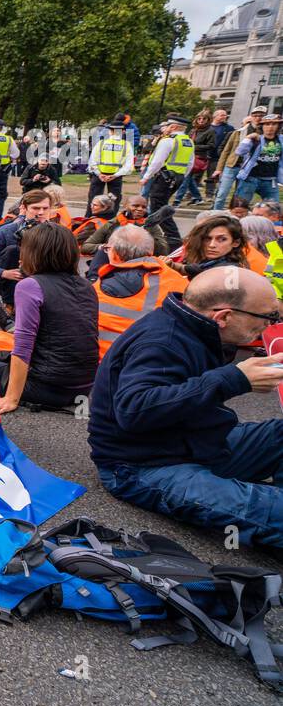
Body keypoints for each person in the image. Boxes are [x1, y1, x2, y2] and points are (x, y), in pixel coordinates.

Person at [89, 266, 283, 550]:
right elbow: (134, 411)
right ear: (224, 316)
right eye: (268, 318)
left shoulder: (196, 327)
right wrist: (235, 379)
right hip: (140, 466)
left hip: (191, 444)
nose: (270, 326)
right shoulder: (162, 340)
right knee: (272, 510)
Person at [0, 222, 98, 414]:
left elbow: (23, 346)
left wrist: (11, 399)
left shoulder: (30, 285)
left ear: (34, 253)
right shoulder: (86, 285)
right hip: (84, 386)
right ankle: (8, 327)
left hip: (47, 388)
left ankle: (8, 327)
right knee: (2, 355)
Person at [93, 224, 189, 354]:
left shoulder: (98, 289)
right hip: (159, 361)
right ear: (150, 252)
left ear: (114, 253)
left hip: (104, 365)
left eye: (107, 249)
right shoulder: (181, 283)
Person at [0, 187, 55, 317]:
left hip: (45, 279)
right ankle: (10, 304)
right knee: (12, 251)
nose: (41, 212)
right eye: (36, 208)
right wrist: (4, 273)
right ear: (24, 208)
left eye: (45, 208)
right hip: (13, 280)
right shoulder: (6, 231)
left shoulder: (58, 233)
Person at [139, 115, 195, 246]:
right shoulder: (188, 141)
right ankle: (152, 232)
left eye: (168, 126)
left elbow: (157, 161)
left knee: (158, 207)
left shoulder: (169, 140)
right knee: (160, 205)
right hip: (177, 177)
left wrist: (146, 177)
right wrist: (181, 176)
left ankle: (172, 236)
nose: (166, 128)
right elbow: (190, 163)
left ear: (174, 127)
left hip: (165, 176)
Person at [212, 105, 267, 210]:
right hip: (232, 165)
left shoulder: (266, 134)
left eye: (261, 115)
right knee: (221, 194)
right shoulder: (239, 132)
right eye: (255, 115)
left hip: (248, 169)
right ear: (251, 117)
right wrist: (219, 169)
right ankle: (216, 214)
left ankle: (234, 214)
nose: (258, 118)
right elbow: (226, 151)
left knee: (240, 197)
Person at [80, 195, 170, 257]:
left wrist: (146, 234)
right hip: (112, 263)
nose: (140, 209)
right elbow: (86, 247)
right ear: (125, 206)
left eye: (143, 207)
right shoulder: (112, 224)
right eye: (135, 206)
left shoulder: (152, 225)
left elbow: (164, 251)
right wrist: (106, 247)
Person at [167, 214, 249, 281]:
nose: (212, 245)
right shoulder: (210, 262)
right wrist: (171, 264)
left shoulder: (229, 272)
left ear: (235, 242)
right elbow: (188, 269)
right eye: (207, 239)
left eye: (222, 239)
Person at [231, 113, 282, 206]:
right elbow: (239, 152)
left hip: (270, 180)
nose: (270, 127)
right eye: (267, 124)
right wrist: (248, 138)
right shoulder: (256, 139)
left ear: (278, 126)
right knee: (240, 205)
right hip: (250, 178)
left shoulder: (281, 140)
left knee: (274, 208)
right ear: (262, 126)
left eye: (274, 124)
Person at [86, 116, 135, 205]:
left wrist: (99, 174)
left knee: (94, 198)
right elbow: (128, 166)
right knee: (113, 199)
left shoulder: (101, 143)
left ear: (110, 131)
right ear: (123, 131)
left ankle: (90, 217)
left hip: (99, 175)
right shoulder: (127, 145)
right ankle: (111, 217)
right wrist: (115, 175)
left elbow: (92, 161)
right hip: (116, 177)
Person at [171, 109, 214, 207]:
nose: (201, 121)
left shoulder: (210, 131)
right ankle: (197, 198)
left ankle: (177, 200)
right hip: (188, 155)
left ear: (208, 120)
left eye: (204, 119)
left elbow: (211, 145)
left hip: (199, 157)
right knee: (189, 179)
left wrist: (194, 146)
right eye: (199, 118)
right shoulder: (193, 130)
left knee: (185, 178)